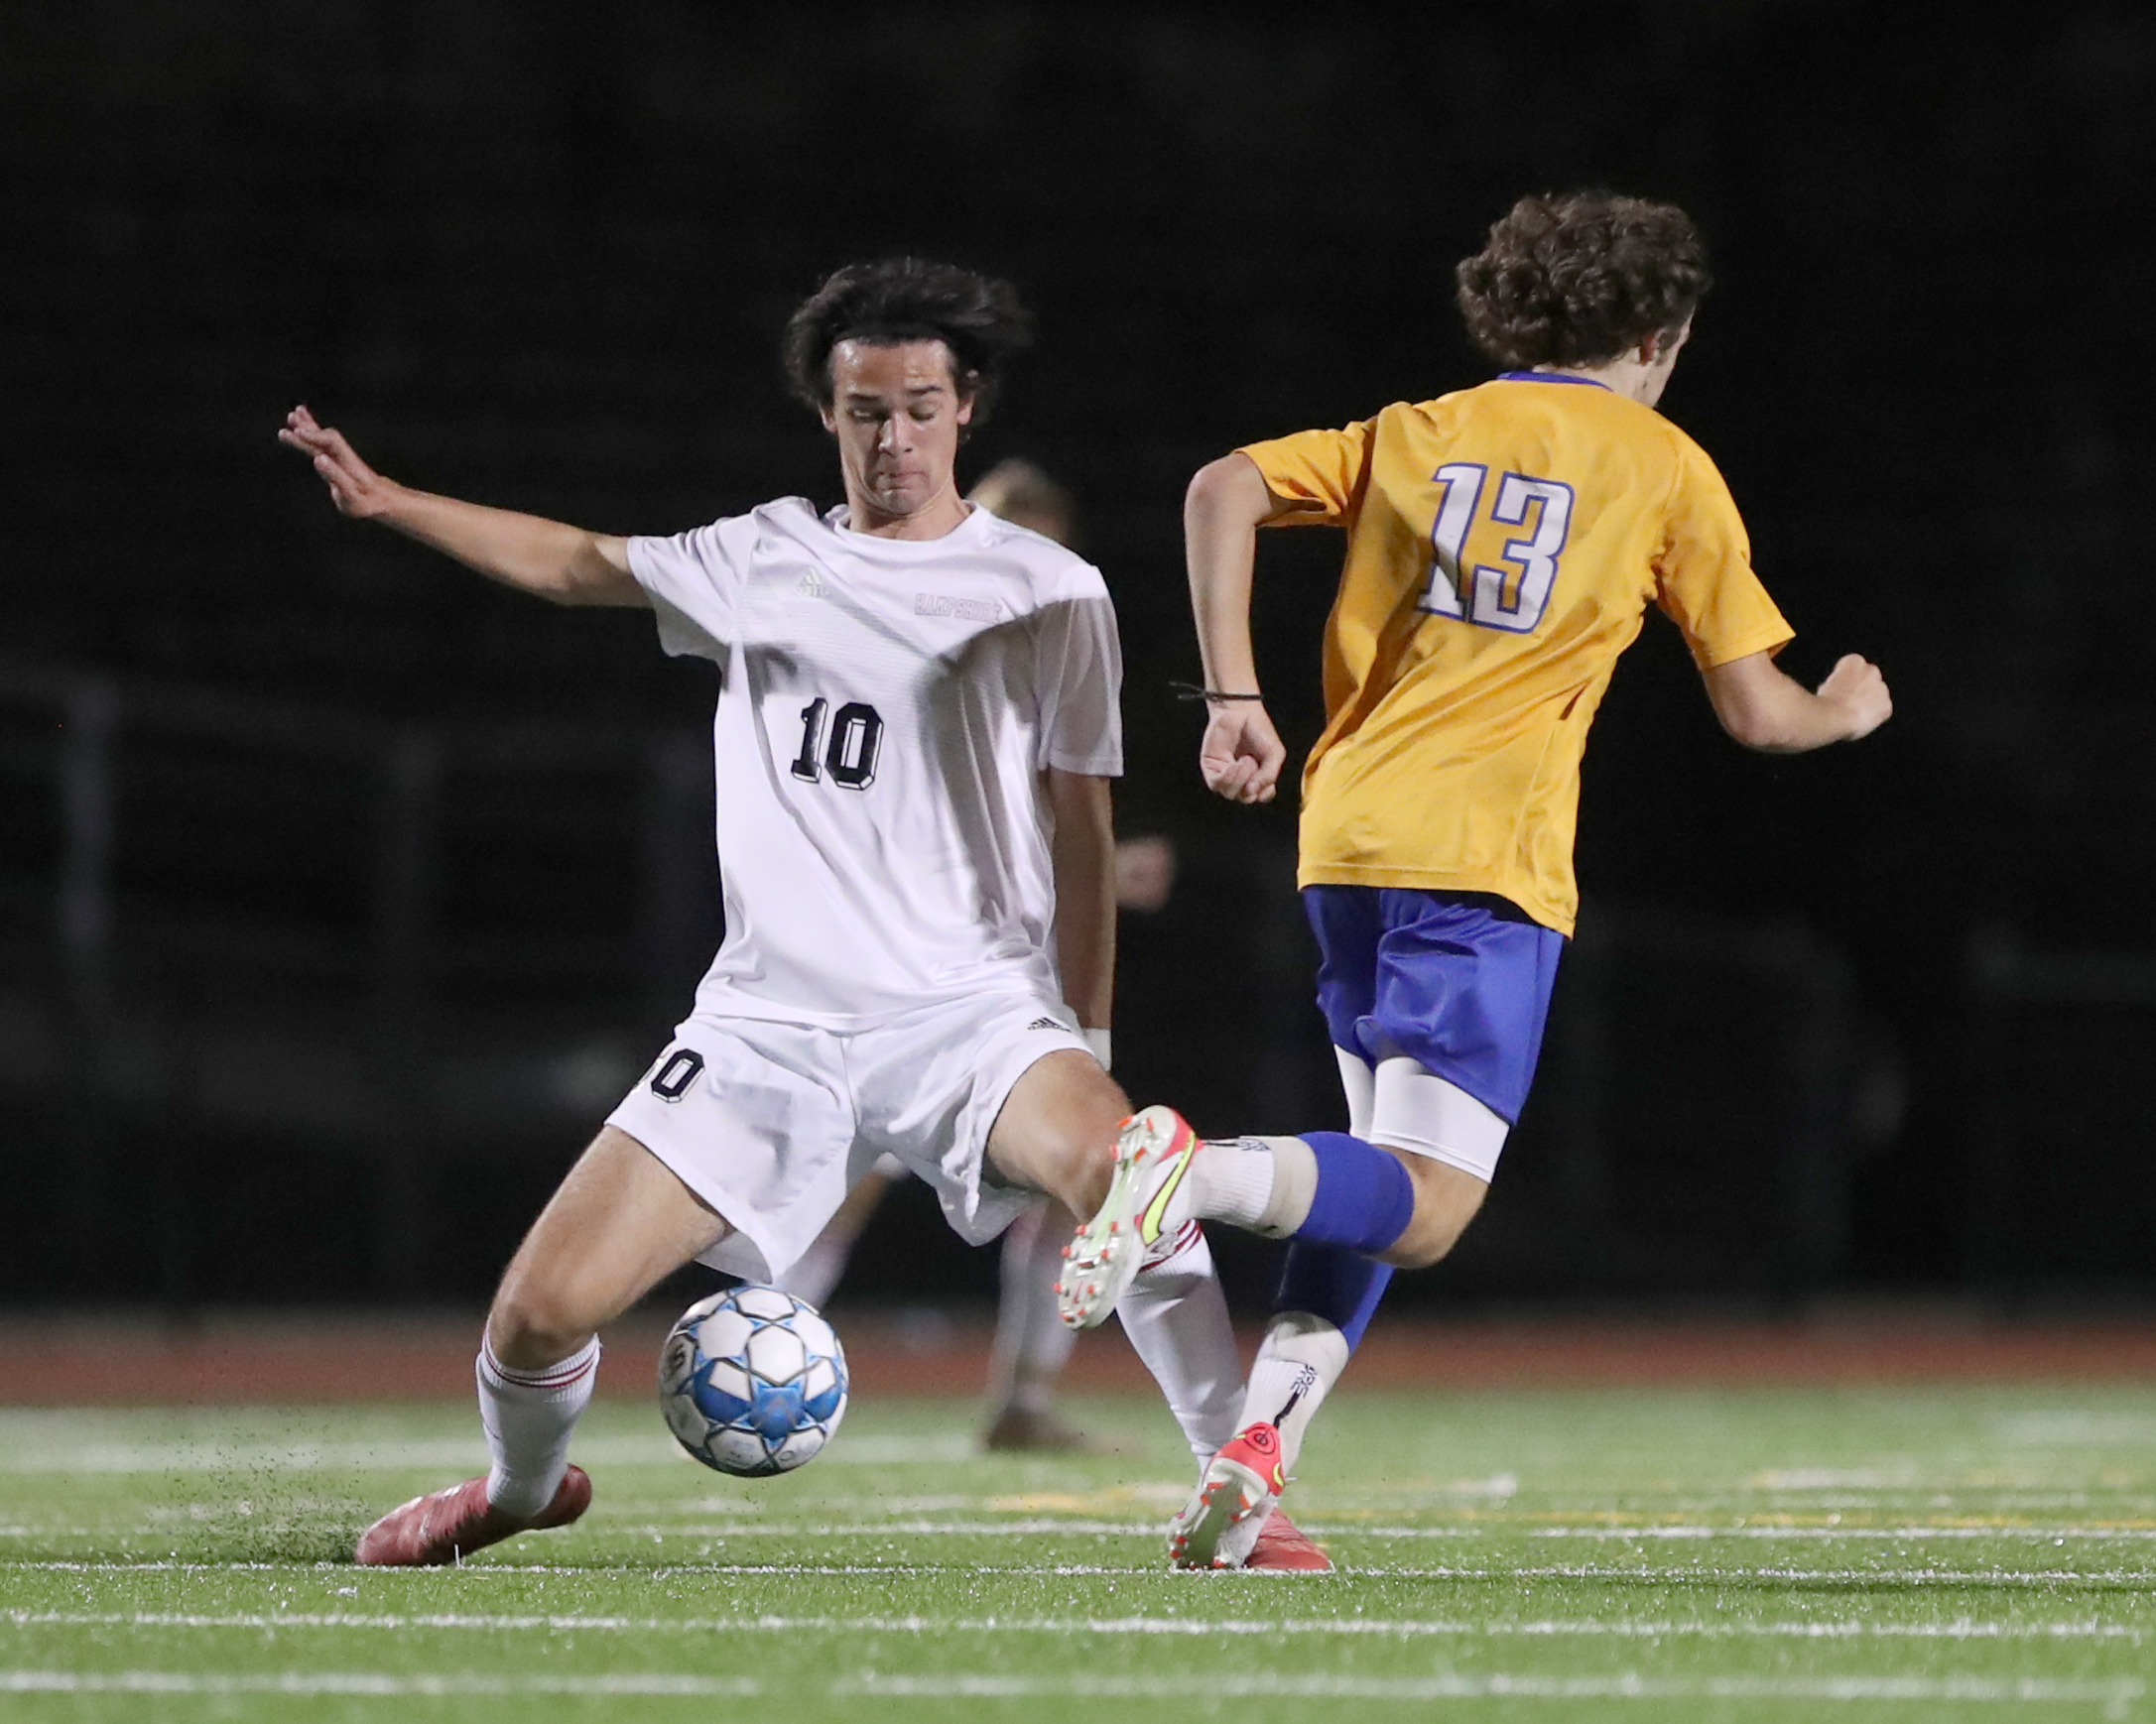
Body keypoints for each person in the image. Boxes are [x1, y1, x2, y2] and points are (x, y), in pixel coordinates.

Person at [279, 257, 1254, 1566]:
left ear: (965, 407)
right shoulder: (761, 554)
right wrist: (395, 500)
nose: (893, 438)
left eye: (919, 407)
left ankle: (1241, 1485)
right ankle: (516, 1491)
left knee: (1131, 1165)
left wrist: (1087, 1030)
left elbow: (1080, 827)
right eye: (865, 412)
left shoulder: (1050, 591)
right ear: (826, 415)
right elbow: (575, 564)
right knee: (533, 1317)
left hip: (969, 1012)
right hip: (767, 1024)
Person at [1058, 191, 1894, 1569]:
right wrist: (1848, 711)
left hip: (1347, 847)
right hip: (1485, 868)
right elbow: (1760, 714)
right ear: (1657, 330)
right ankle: (1182, 1171)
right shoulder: (1664, 465)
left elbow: (1222, 486)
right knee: (1434, 1209)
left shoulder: (1417, 429)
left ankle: (1252, 1456)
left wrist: (1232, 697)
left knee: (1375, 1181)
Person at [774, 455, 1171, 1453]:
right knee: (842, 1175)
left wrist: (1100, 872)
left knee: (1066, 1186)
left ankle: (1022, 1400)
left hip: (1007, 982)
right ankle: (762, 1362)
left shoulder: (1055, 654)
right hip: (904, 972)